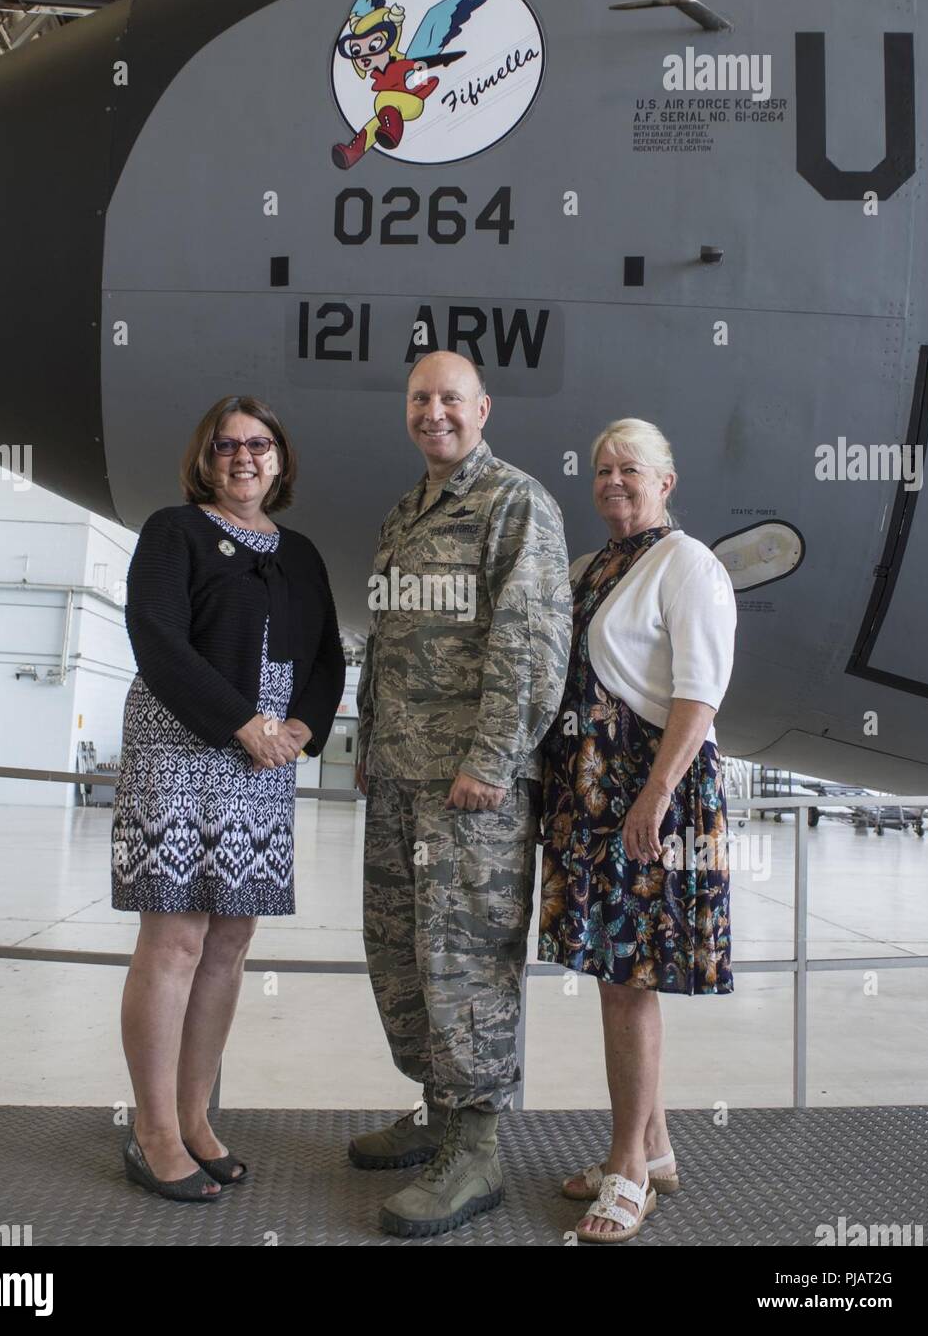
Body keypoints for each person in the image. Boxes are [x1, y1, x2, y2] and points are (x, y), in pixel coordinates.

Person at [352, 351, 572, 1237]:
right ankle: (439, 1117)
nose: (433, 412)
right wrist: (367, 743)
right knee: (401, 956)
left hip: (469, 791)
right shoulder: (408, 511)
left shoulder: (516, 502)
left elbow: (531, 642)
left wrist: (492, 758)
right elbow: (387, 640)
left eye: (450, 398)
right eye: (419, 398)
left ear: (483, 408)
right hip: (399, 778)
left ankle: (475, 1154)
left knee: (465, 965)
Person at [111, 395, 345, 1201]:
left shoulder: (304, 554)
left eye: (259, 444)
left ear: (279, 458)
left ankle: (194, 1115)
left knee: (230, 941)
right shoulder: (172, 533)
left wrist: (299, 732)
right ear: (205, 459)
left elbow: (327, 658)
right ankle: (151, 1132)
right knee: (175, 939)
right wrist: (242, 724)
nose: (244, 457)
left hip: (268, 757)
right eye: (226, 446)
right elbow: (157, 639)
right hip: (184, 744)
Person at [539, 417, 736, 1243]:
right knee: (614, 976)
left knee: (631, 982)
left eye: (632, 469)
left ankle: (626, 1175)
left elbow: (700, 694)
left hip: (647, 802)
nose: (614, 480)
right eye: (602, 469)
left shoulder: (688, 563)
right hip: (590, 800)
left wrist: (653, 797)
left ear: (668, 481)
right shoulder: (591, 569)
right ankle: (651, 1149)